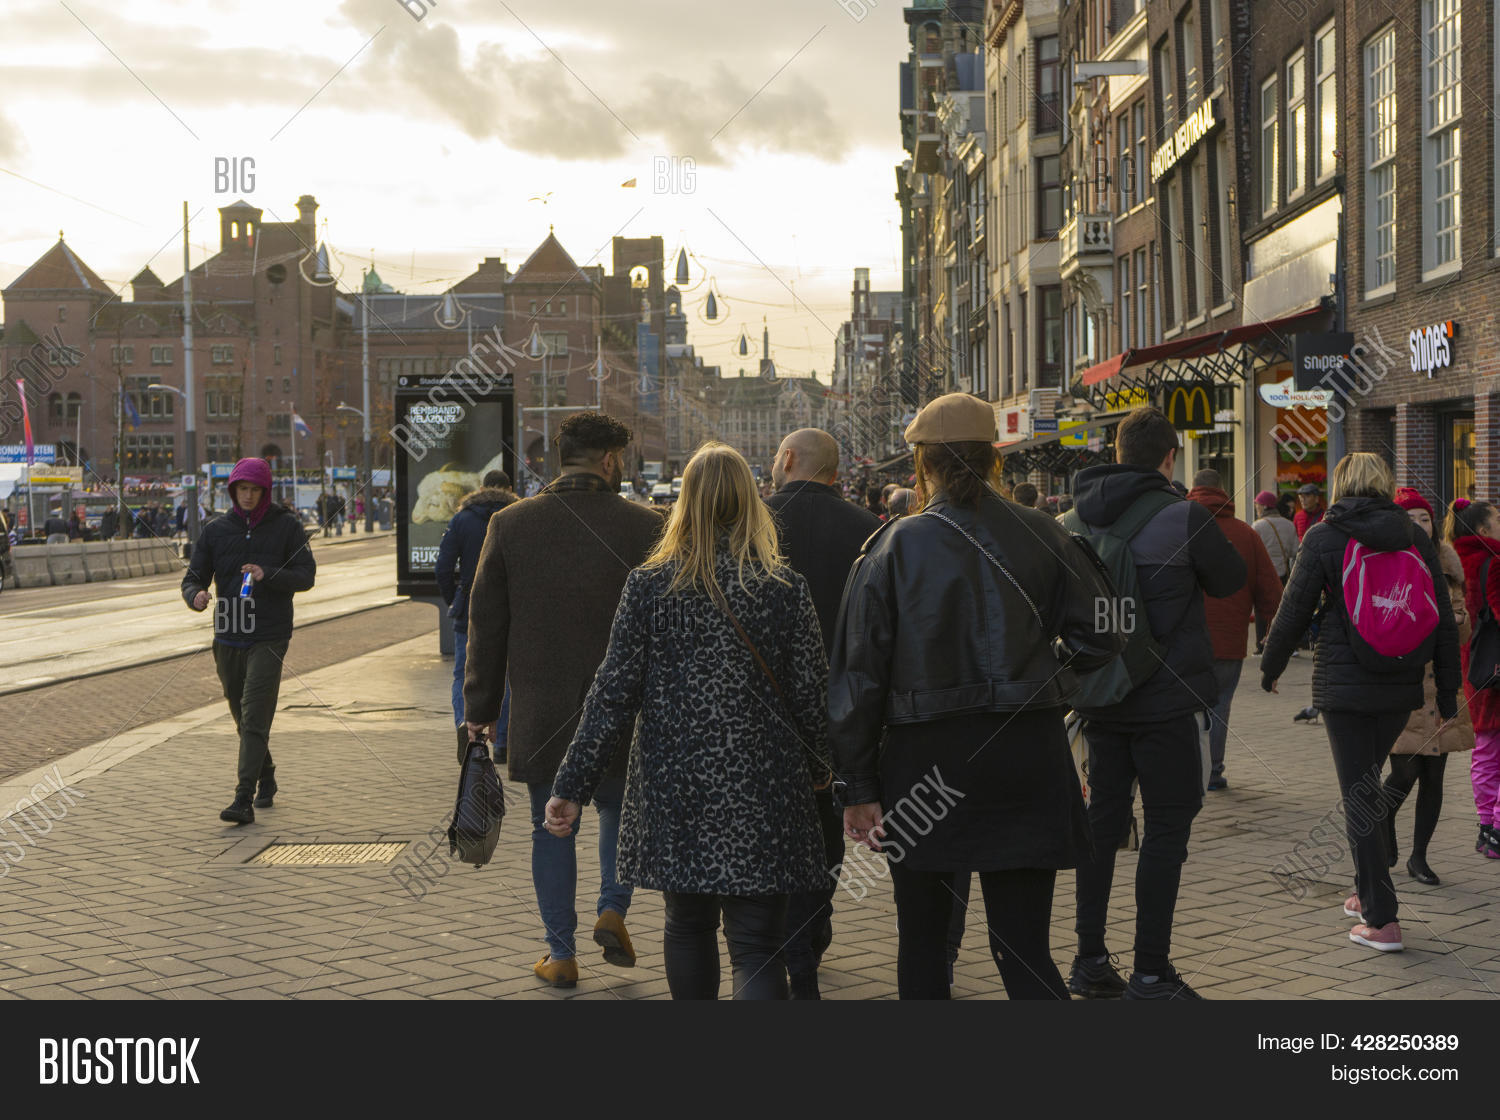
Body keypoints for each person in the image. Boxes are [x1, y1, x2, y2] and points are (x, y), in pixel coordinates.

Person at [831, 393, 1125, 1000]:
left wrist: (858, 787)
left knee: (924, 942)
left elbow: (859, 676)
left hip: (926, 762)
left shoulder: (893, 547)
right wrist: (1053, 677)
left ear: (924, 464)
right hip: (1026, 753)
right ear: (992, 457)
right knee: (1023, 945)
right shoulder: (1043, 530)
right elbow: (1109, 627)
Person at [547, 443, 829, 1000]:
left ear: (685, 503)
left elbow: (612, 693)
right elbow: (812, 693)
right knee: (756, 941)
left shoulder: (651, 586)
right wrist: (822, 766)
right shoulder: (783, 587)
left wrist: (571, 786)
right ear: (753, 503)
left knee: (688, 925)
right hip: (763, 788)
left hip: (676, 789)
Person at [464, 412, 663, 989]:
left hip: (542, 710)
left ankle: (561, 952)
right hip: (624, 707)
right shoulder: (646, 526)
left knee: (550, 826)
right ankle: (613, 909)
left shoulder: (511, 523)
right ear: (609, 461)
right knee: (618, 813)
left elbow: (486, 626)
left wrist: (480, 710)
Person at [1066, 407, 1245, 1000]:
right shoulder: (1184, 515)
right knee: (1168, 830)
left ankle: (1090, 960)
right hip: (1165, 704)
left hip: (1099, 701)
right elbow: (1228, 581)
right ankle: (1150, 972)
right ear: (1170, 458)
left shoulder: (1070, 521)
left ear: (1118, 452)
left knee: (1101, 829)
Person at [1261, 454, 1459, 954]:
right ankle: (1365, 888)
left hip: (1345, 687)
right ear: (1386, 486)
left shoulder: (1325, 536)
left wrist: (1270, 667)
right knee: (1366, 789)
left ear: (1341, 484)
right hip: (1401, 684)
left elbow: (1293, 610)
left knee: (1360, 797)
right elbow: (1442, 618)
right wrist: (1450, 693)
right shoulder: (1413, 537)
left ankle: (1382, 918)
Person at [764, 427, 881, 999]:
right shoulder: (872, 531)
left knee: (773, 829)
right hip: (845, 707)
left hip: (763, 711)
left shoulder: (750, 524)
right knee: (827, 827)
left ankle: (791, 936)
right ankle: (811, 931)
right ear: (837, 471)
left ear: (786, 460)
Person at [181, 457, 317, 824]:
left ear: (265, 492)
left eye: (255, 490)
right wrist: (195, 595)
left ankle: (243, 797)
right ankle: (266, 774)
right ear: (232, 490)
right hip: (228, 631)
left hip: (269, 634)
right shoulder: (215, 531)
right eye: (242, 489)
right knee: (242, 716)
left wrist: (267, 573)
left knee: (255, 712)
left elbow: (306, 576)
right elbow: (193, 577)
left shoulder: (287, 527)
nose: (248, 496)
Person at [1382, 488, 1473, 886]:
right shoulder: (1388, 561)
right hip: (1403, 684)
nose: (1419, 524)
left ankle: (1419, 857)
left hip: (1444, 684)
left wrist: (1455, 620)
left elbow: (1464, 631)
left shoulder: (1448, 563)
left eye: (1425, 517)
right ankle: (1383, 823)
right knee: (1403, 772)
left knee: (1434, 774)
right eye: (1411, 518)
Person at [1187, 469, 1282, 791]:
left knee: (1185, 705)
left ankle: (1188, 772)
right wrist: (1272, 635)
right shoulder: (1246, 533)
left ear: (1194, 490)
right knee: (1219, 703)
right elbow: (1270, 591)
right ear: (1224, 491)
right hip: (1230, 639)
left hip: (1185, 638)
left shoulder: (1178, 529)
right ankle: (1213, 772)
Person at [435, 469, 517, 763]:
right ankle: (503, 743)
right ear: (509, 487)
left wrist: (455, 599)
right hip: (509, 606)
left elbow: (443, 568)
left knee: (462, 672)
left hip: (469, 605)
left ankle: (464, 725)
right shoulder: (517, 516)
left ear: (482, 488)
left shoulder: (462, 519)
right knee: (506, 673)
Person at [1448, 498, 1500, 859]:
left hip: (1475, 668)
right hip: (1496, 671)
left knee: (1484, 751)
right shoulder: (1495, 563)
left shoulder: (1454, 561)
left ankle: (1486, 825)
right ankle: (1497, 832)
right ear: (1483, 531)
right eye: (1498, 519)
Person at [1251, 489, 1298, 653]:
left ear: (1263, 507)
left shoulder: (1258, 526)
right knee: (1283, 609)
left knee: (1262, 610)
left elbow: (1252, 553)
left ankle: (1262, 645)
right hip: (1283, 574)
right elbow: (1295, 551)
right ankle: (1286, 644)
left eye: (1257, 505)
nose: (1256, 509)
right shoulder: (1289, 524)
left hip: (1263, 574)